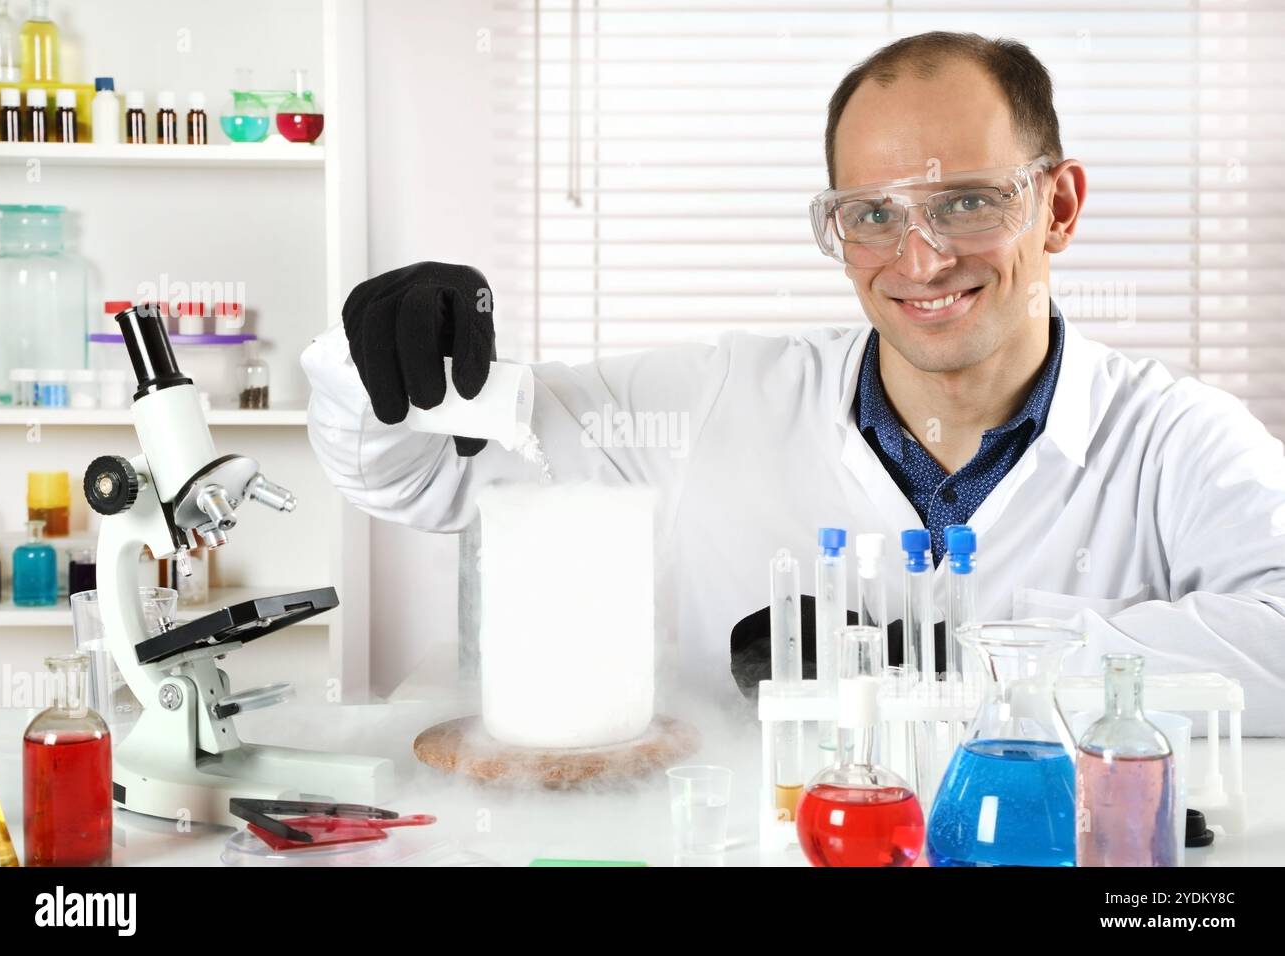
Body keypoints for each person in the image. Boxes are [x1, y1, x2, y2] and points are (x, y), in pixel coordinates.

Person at [302, 32, 1285, 734]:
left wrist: (944, 658)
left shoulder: (1172, 437)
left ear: (1058, 205)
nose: (922, 257)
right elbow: (422, 473)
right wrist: (378, 362)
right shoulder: (706, 403)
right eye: (871, 215)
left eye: (969, 202)